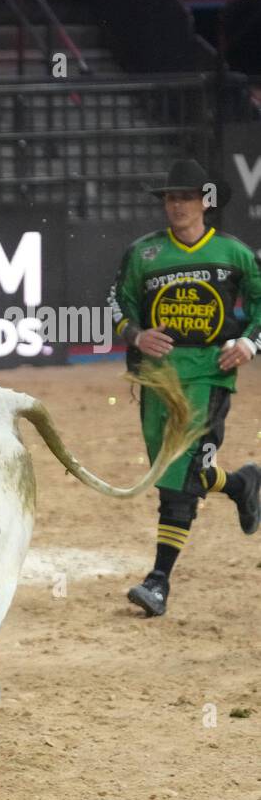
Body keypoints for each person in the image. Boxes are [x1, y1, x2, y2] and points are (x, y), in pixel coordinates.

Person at [107, 158, 261, 616]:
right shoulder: (144, 253)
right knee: (170, 469)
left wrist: (250, 344)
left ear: (204, 202)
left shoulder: (235, 254)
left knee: (178, 479)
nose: (177, 205)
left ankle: (158, 581)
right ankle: (240, 485)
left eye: (186, 197)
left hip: (210, 375)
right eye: (171, 198)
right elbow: (117, 302)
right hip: (159, 379)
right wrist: (136, 335)